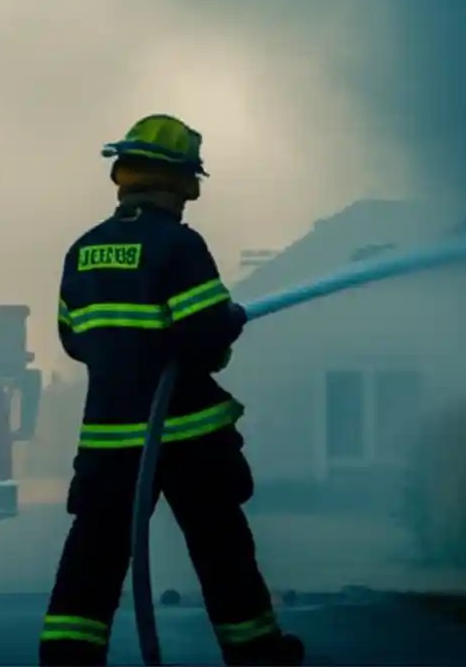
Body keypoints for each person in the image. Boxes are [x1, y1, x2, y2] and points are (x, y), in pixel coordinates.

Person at [41, 115, 304, 666]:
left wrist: (126, 357)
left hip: (110, 438)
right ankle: (257, 654)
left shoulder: (83, 250)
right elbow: (204, 338)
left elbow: (73, 339)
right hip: (188, 436)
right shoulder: (179, 246)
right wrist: (228, 322)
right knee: (221, 550)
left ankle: (66, 659)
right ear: (180, 181)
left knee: (92, 556)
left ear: (123, 174)